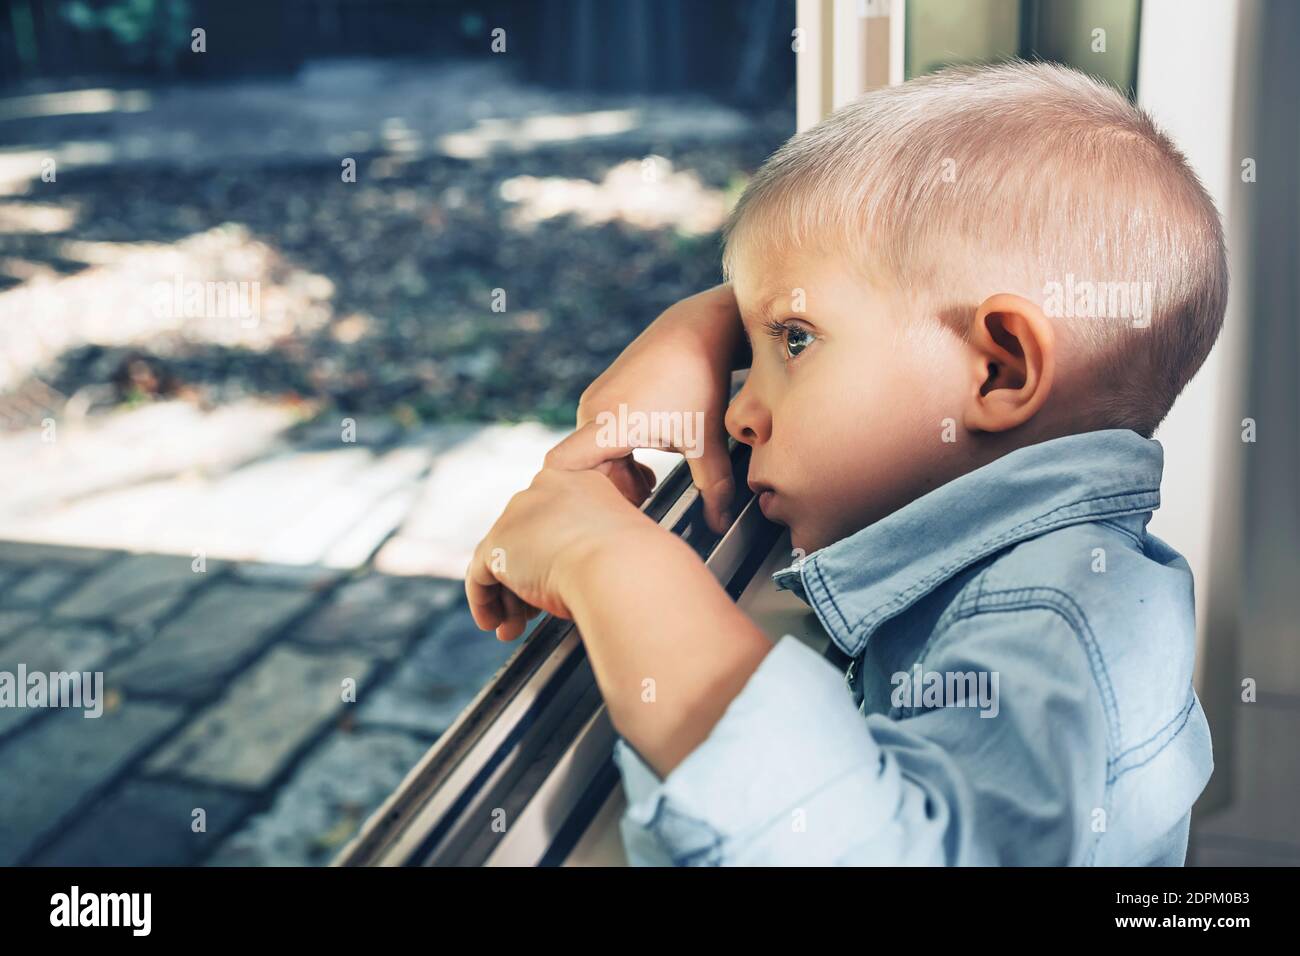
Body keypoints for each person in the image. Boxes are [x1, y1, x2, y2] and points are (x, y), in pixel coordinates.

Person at [465, 61, 1223, 865]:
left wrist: (611, 561)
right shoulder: (1078, 571)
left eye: (792, 340)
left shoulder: (1056, 615)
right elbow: (882, 298)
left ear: (1000, 370)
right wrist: (701, 327)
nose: (738, 411)